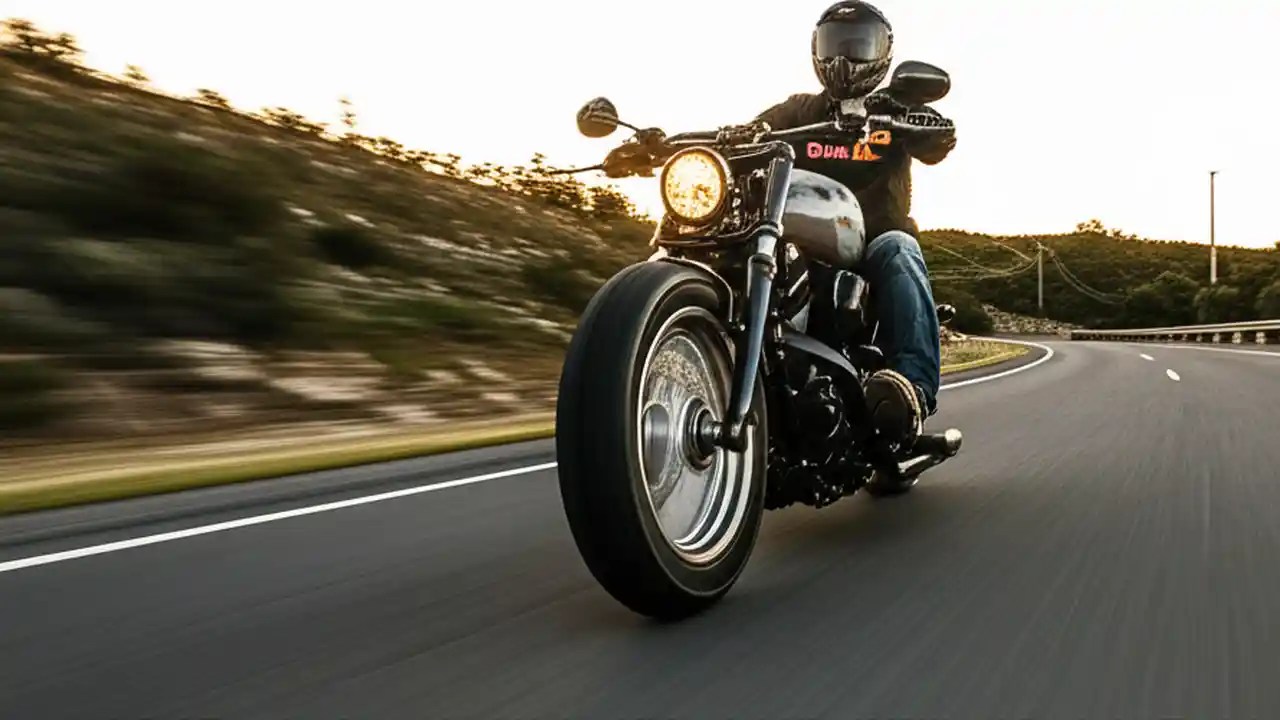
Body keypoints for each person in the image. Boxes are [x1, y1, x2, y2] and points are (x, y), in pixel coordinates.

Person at [753, 0, 957, 449]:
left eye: (858, 46)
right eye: (835, 45)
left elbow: (936, 140)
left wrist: (927, 127)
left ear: (881, 55)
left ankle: (912, 393)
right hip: (801, 239)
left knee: (900, 250)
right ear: (817, 51)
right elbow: (747, 136)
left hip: (873, 240)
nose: (844, 58)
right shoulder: (798, 112)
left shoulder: (895, 109)